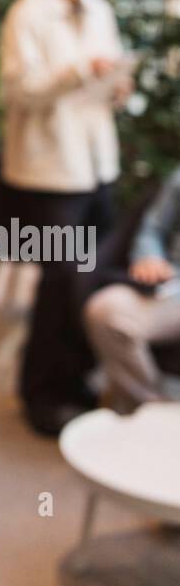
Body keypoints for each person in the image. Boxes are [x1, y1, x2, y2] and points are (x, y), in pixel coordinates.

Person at [0, 0, 132, 436]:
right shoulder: (28, 13)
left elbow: (108, 73)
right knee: (60, 281)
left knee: (93, 279)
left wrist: (117, 86)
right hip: (50, 172)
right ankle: (42, 395)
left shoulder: (101, 10)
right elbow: (20, 91)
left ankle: (78, 382)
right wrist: (81, 71)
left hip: (99, 165)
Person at [83, 167, 180, 412]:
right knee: (106, 311)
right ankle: (152, 410)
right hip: (171, 289)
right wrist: (149, 257)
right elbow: (153, 229)